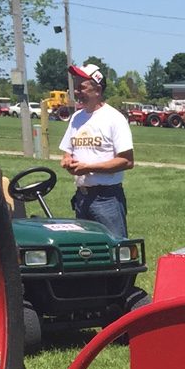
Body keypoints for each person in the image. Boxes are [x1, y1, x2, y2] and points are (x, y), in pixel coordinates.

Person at [59, 63, 133, 238]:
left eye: (81, 87)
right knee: (85, 247)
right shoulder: (76, 118)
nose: (76, 92)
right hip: (82, 197)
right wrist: (67, 160)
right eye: (76, 87)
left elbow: (127, 161)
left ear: (97, 90)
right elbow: (67, 151)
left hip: (107, 199)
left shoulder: (114, 118)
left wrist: (88, 168)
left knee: (114, 246)